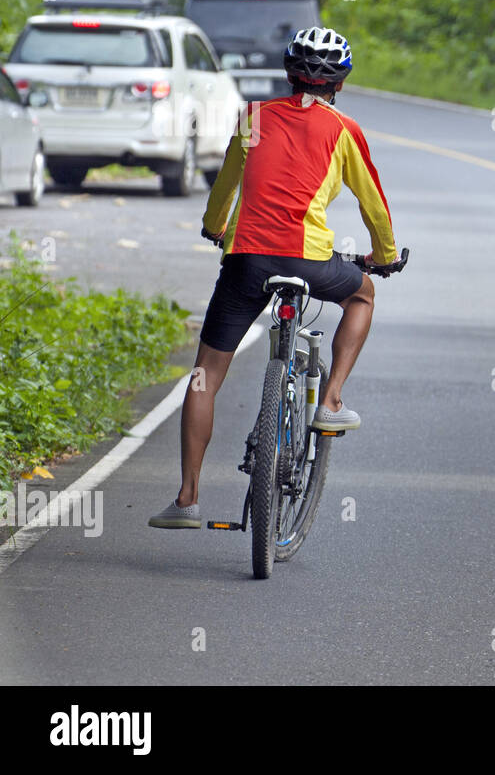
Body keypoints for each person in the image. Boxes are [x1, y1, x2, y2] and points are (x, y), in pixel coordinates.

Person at [149, 26, 398, 529]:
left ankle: (188, 499)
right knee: (364, 295)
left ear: (288, 75)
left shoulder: (253, 117)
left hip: (247, 261)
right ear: (340, 84)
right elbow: (374, 203)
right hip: (310, 261)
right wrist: (384, 256)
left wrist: (215, 227)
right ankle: (330, 401)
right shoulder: (345, 130)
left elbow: (226, 183)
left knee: (205, 374)